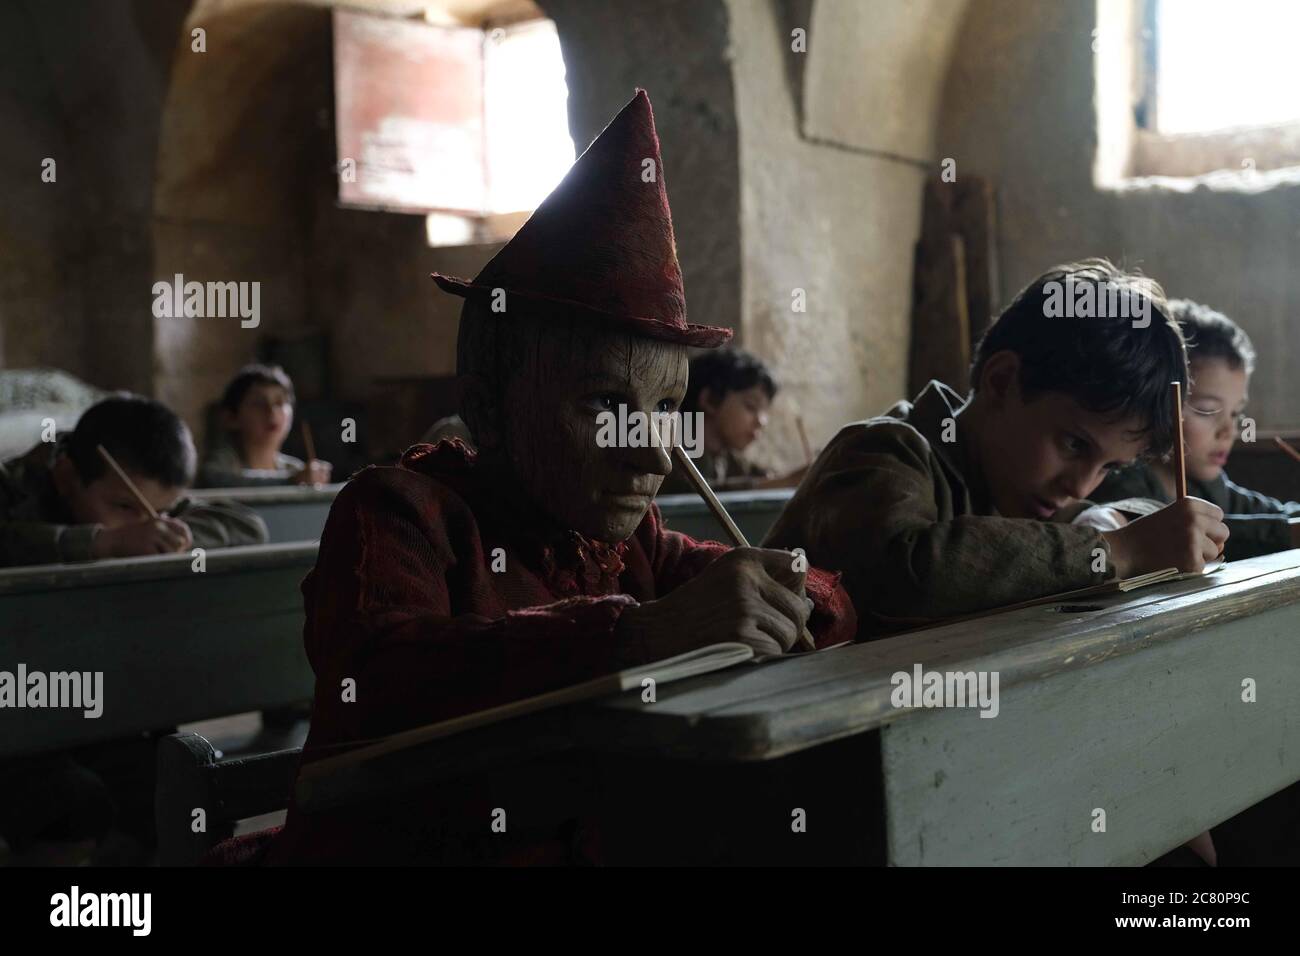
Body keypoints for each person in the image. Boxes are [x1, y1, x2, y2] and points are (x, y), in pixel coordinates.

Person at [268, 90, 856, 865]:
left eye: (669, 405)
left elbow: (821, 595)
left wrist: (796, 596)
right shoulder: (399, 512)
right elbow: (379, 680)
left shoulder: (624, 539)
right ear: (490, 404)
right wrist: (639, 635)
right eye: (606, 403)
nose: (652, 454)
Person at [764, 259, 1228, 638]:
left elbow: (1117, 511)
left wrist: (1112, 521)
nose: (1079, 483)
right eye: (1073, 444)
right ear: (1002, 380)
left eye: (1110, 466)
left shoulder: (1017, 486)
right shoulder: (883, 450)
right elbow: (903, 575)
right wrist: (1115, 550)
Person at [1092, 298, 1300, 560]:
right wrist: (1288, 533)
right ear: (1158, 402)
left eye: (1236, 413)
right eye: (1209, 409)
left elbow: (1276, 513)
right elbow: (1177, 533)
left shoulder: (1208, 484)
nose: (1228, 431)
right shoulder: (1120, 481)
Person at [0, 393, 267, 567]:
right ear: (65, 476)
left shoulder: (145, 493)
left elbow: (248, 527)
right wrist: (105, 542)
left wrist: (169, 539)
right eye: (125, 507)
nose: (145, 525)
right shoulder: (11, 485)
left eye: (160, 510)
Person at [660, 346, 805, 493]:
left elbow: (756, 474)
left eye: (764, 412)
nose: (762, 421)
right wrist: (786, 482)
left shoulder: (726, 458)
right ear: (711, 400)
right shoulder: (669, 453)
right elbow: (696, 496)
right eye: (751, 406)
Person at [199, 364, 332, 487]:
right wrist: (289, 481)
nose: (271, 411)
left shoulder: (294, 469)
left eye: (280, 402)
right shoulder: (220, 464)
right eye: (258, 403)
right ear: (231, 418)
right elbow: (217, 480)